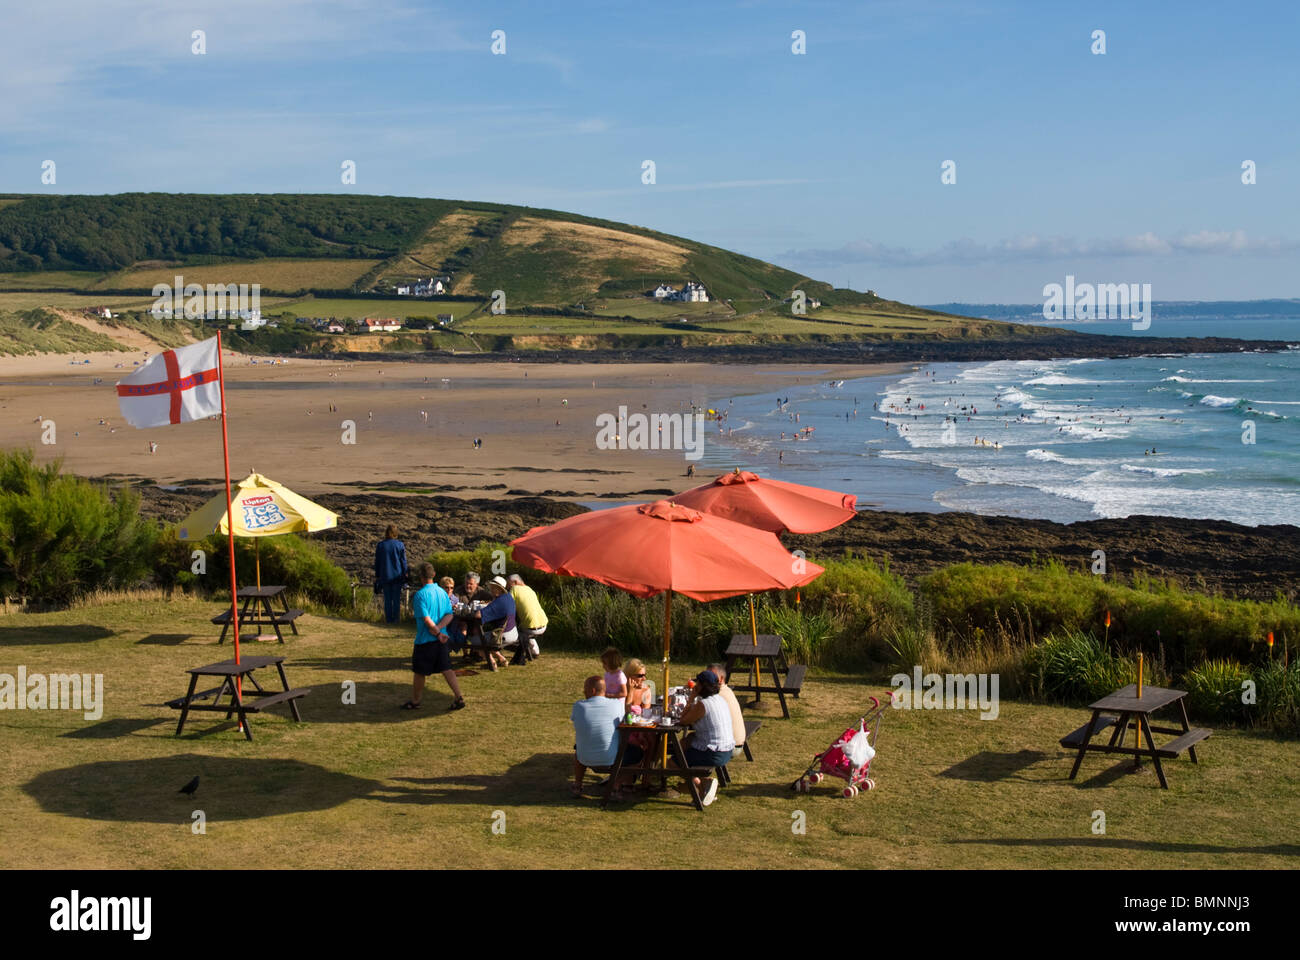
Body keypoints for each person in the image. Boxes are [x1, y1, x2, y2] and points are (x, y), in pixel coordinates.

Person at [403, 562, 465, 711]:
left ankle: (416, 701)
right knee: (447, 669)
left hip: (426, 640)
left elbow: (425, 618)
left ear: (421, 577)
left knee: (419, 672)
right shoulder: (442, 592)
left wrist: (436, 631)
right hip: (442, 639)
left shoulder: (420, 595)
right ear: (434, 575)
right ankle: (458, 696)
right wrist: (440, 630)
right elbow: (449, 614)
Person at [571, 675, 641, 798]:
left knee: (579, 747)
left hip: (584, 757)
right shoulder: (615, 705)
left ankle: (577, 784)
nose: (583, 692)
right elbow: (628, 718)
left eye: (585, 689)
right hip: (611, 759)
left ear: (592, 691)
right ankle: (616, 784)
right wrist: (630, 693)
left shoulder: (578, 706)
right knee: (639, 753)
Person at [674, 670, 735, 806]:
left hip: (714, 753)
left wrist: (691, 697)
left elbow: (683, 720)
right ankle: (700, 787)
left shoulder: (703, 705)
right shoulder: (720, 699)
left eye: (697, 683)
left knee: (672, 763)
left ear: (702, 686)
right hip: (727, 749)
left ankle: (702, 784)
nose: (695, 685)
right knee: (685, 742)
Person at [472, 576, 516, 670]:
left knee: (475, 641)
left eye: (493, 587)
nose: (491, 589)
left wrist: (479, 609)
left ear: (499, 589)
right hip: (513, 632)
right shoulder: (508, 597)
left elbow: (478, 615)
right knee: (484, 638)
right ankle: (501, 658)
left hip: (502, 634)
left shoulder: (500, 601)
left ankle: (491, 662)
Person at [508, 573, 547, 662]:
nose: (507, 587)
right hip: (543, 625)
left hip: (530, 628)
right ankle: (535, 651)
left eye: (508, 584)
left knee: (513, 629)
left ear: (515, 582)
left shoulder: (514, 589)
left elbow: (507, 603)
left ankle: (524, 652)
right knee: (525, 625)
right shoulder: (530, 589)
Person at [708, 662, 746, 753]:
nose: (708, 679)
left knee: (690, 742)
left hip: (731, 747)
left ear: (721, 679)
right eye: (707, 676)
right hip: (738, 742)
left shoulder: (717, 695)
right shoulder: (727, 690)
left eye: (712, 676)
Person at [373, 525, 408, 624]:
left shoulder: (380, 545)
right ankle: (396, 620)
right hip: (397, 576)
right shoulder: (400, 545)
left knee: (387, 600)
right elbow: (403, 561)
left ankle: (389, 620)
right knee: (396, 599)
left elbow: (377, 562)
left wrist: (377, 575)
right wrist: (405, 573)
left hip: (385, 575)